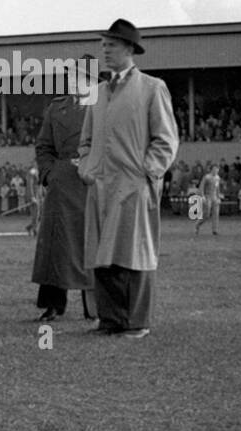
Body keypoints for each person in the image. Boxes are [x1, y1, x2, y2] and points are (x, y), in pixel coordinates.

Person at [77, 19, 179, 338]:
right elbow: (86, 141)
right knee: (102, 254)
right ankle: (110, 320)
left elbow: (166, 139)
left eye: (111, 45)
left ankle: (136, 322)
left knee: (134, 252)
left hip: (134, 185)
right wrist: (87, 169)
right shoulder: (97, 94)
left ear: (129, 49)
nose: (105, 50)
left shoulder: (152, 88)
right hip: (101, 187)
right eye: (103, 45)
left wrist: (146, 173)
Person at [31, 63, 96, 321]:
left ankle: (95, 306)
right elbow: (43, 146)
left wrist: (93, 163)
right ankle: (53, 305)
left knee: (92, 244)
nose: (69, 80)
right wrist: (50, 175)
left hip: (91, 183)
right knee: (56, 246)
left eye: (75, 76)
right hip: (61, 185)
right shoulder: (56, 107)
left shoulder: (103, 106)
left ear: (90, 80)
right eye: (68, 75)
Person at [195, 163, 222, 236]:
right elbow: (202, 186)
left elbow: (217, 189)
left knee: (216, 214)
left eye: (217, 170)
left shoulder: (218, 178)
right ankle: (198, 224)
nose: (216, 171)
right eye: (214, 169)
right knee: (207, 214)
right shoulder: (207, 177)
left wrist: (219, 197)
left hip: (215, 197)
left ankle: (215, 230)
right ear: (211, 170)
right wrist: (202, 196)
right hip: (207, 197)